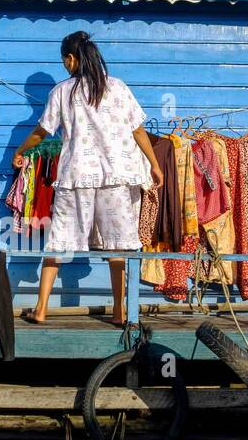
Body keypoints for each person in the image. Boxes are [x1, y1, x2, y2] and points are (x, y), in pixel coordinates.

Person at [12, 31, 164, 326]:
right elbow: (138, 130)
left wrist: (19, 151)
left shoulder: (62, 92)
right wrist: (154, 165)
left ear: (71, 59)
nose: (65, 66)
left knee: (58, 242)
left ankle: (41, 309)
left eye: (64, 60)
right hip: (115, 178)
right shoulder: (118, 88)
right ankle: (120, 312)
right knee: (117, 246)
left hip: (77, 177)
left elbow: (42, 131)